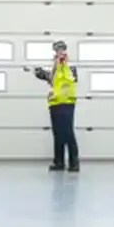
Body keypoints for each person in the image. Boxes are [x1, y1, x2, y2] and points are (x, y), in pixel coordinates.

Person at [31, 40, 79, 172]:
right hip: (55, 103)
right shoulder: (56, 67)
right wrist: (43, 74)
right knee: (57, 133)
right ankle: (59, 162)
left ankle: (74, 163)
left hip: (66, 102)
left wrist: (60, 62)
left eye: (61, 49)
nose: (58, 53)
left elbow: (71, 78)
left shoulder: (68, 66)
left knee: (68, 132)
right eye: (56, 50)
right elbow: (53, 80)